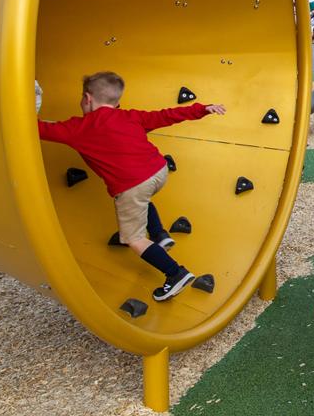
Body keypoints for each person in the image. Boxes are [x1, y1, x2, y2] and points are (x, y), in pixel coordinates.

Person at [37, 71, 226, 300]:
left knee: (133, 238)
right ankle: (159, 234)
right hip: (158, 171)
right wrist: (201, 109)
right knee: (142, 198)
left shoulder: (79, 128)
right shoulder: (129, 116)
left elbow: (40, 129)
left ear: (87, 98)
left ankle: (176, 274)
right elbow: (166, 115)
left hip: (133, 185)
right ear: (116, 101)